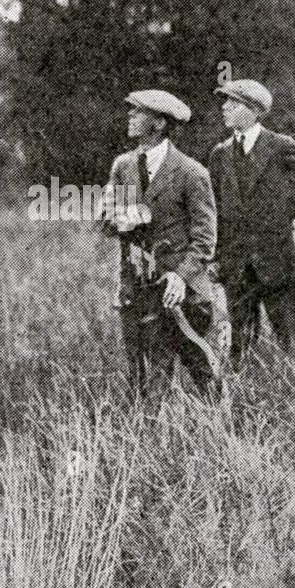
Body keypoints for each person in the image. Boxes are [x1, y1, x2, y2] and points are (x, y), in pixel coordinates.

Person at [103, 89, 221, 399]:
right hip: (136, 287)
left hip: (181, 292)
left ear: (158, 123)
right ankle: (150, 437)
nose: (130, 117)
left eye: (137, 113)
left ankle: (222, 429)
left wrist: (181, 276)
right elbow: (105, 218)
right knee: (141, 374)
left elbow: (205, 239)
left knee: (197, 368)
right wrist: (122, 219)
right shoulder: (123, 166)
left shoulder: (192, 173)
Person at [209, 79, 295, 366]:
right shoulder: (220, 154)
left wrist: (282, 210)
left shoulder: (279, 146)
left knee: (289, 340)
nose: (224, 107)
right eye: (224, 101)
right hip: (236, 263)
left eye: (233, 102)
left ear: (253, 110)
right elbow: (214, 208)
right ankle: (242, 399)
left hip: (276, 259)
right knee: (239, 346)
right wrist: (215, 258)